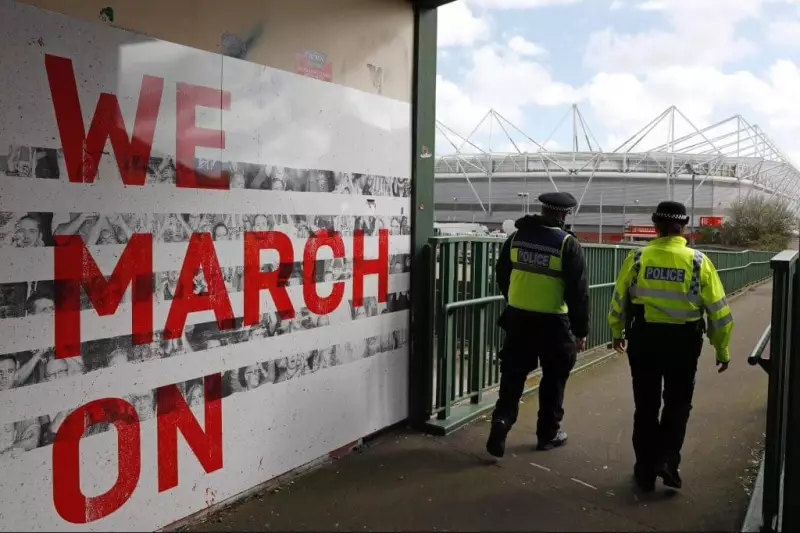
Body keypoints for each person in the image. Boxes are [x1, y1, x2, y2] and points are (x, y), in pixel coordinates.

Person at [608, 201, 733, 492]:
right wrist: (721, 348)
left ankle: (644, 470)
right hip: (683, 343)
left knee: (646, 406)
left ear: (655, 226)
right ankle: (667, 460)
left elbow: (619, 299)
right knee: (678, 403)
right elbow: (719, 311)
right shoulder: (699, 262)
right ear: (683, 228)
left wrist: (616, 331)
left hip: (644, 339)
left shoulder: (638, 258)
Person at [486, 192, 589, 458]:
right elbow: (577, 292)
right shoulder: (567, 243)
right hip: (554, 322)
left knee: (513, 374)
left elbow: (502, 273)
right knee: (554, 377)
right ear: (564, 214)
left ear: (542, 210)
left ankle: (501, 420)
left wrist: (514, 300)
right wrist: (581, 330)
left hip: (518, 318)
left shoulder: (516, 238)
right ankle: (548, 433)